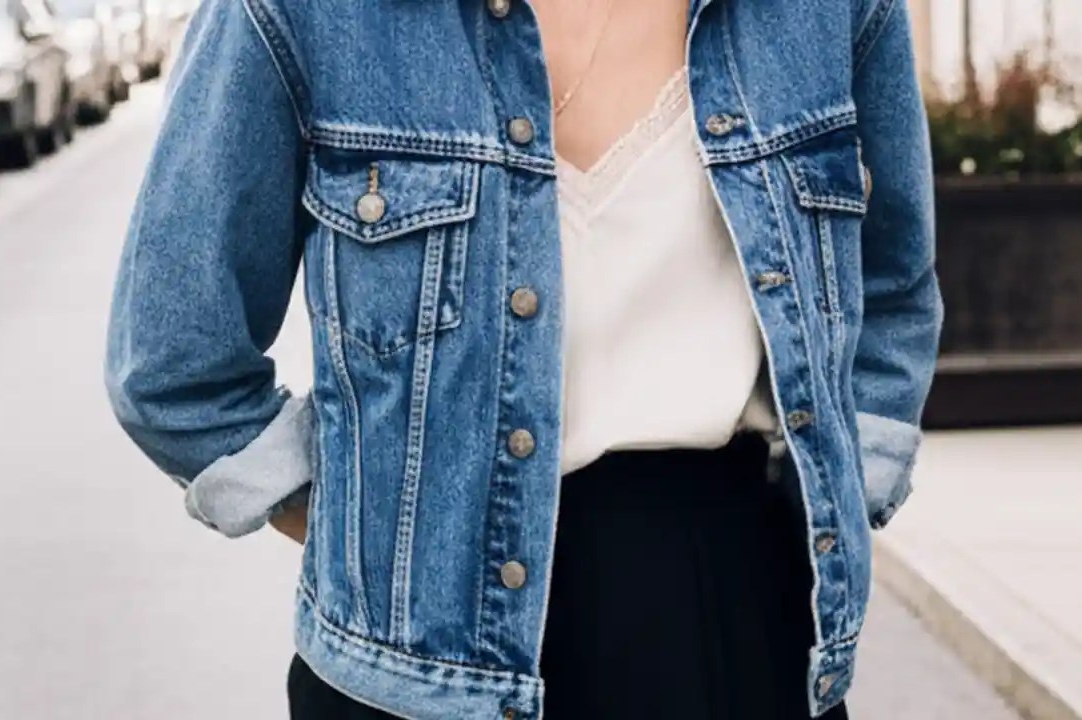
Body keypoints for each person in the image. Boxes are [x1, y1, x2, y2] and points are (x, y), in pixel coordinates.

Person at [104, 0, 941, 716]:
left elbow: (895, 283)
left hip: (738, 609)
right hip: (413, 677)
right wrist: (362, 533)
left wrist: (843, 484)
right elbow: (176, 358)